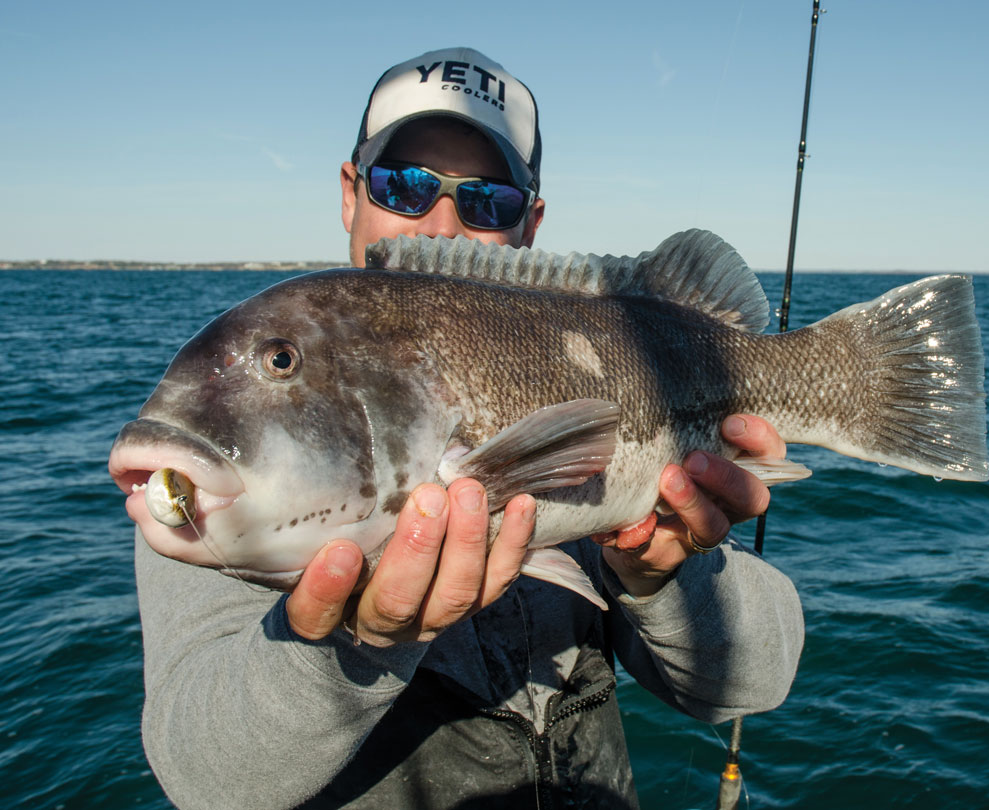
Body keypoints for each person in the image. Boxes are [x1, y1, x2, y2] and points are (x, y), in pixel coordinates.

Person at [135, 47, 804, 810]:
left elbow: (754, 682)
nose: (444, 224)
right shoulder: (228, 462)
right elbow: (205, 774)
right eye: (406, 185)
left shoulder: (571, 377)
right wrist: (357, 643)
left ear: (531, 224)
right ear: (352, 193)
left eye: (487, 201)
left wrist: (662, 575)